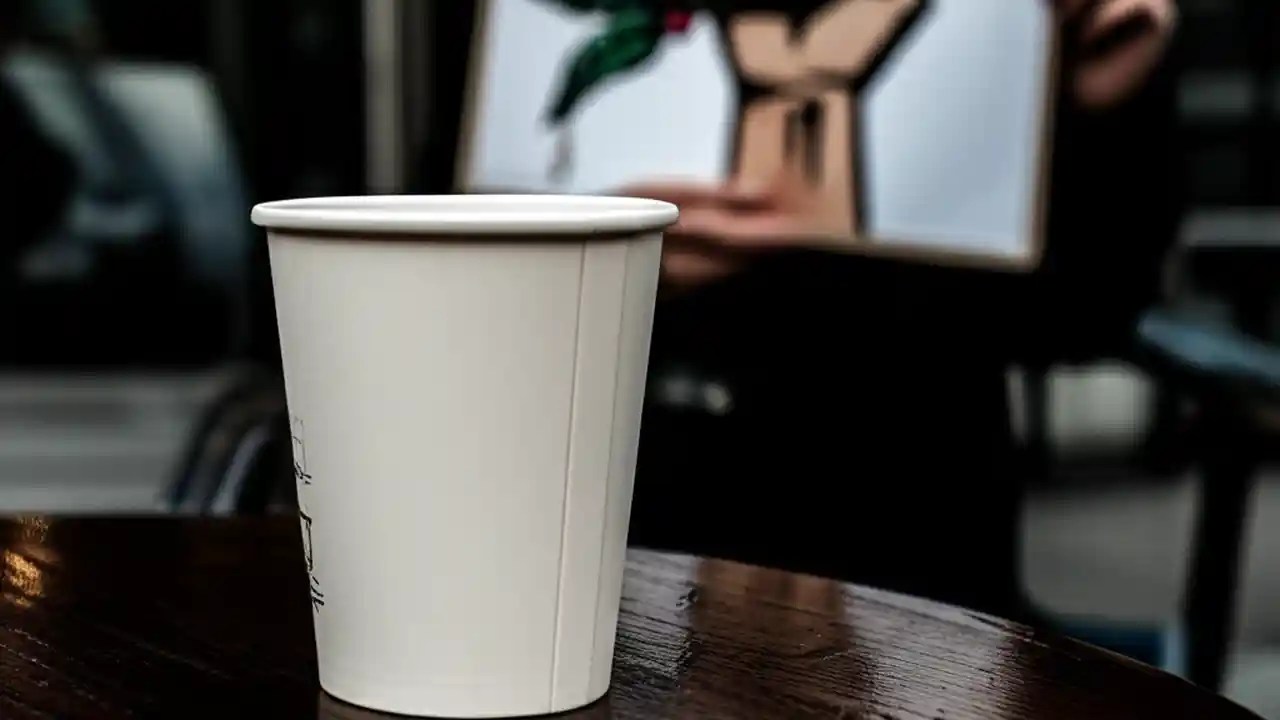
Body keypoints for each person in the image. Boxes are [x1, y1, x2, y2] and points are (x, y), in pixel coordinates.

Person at [627, 0, 1180, 618]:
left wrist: (1099, 113)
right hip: (641, 515)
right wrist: (592, 254)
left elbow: (1085, 315)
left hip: (915, 526)